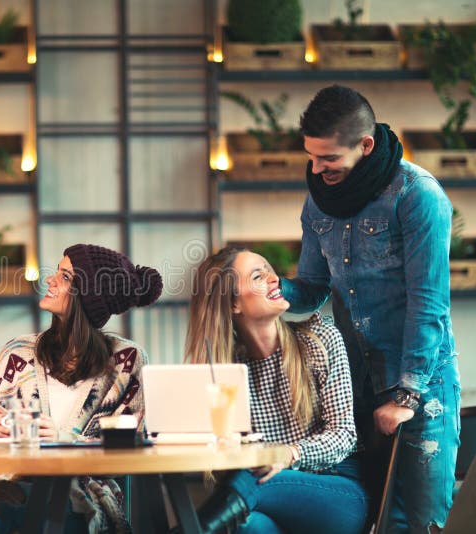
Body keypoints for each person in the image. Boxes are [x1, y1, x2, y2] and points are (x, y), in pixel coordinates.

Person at [280, 85, 460, 533]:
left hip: (422, 386)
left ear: (366, 145)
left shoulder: (417, 195)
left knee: (422, 522)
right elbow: (313, 288)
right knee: (372, 520)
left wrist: (407, 396)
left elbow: (430, 303)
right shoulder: (318, 201)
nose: (318, 170)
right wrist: (265, 288)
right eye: (312, 158)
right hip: (356, 384)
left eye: (329, 159)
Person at [0, 243, 163, 534]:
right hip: (7, 486)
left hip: (80, 498)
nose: (50, 279)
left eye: (64, 276)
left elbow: (132, 447)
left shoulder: (126, 362)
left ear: (88, 296)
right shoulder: (18, 353)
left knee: (45, 511)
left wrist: (63, 440)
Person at [184, 246, 368, 534]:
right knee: (247, 526)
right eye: (258, 276)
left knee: (252, 479)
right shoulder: (229, 372)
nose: (275, 279)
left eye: (270, 271)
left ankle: (191, 530)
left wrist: (289, 454)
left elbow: (344, 435)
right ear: (233, 304)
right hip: (263, 497)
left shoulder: (319, 339)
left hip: (337, 494)